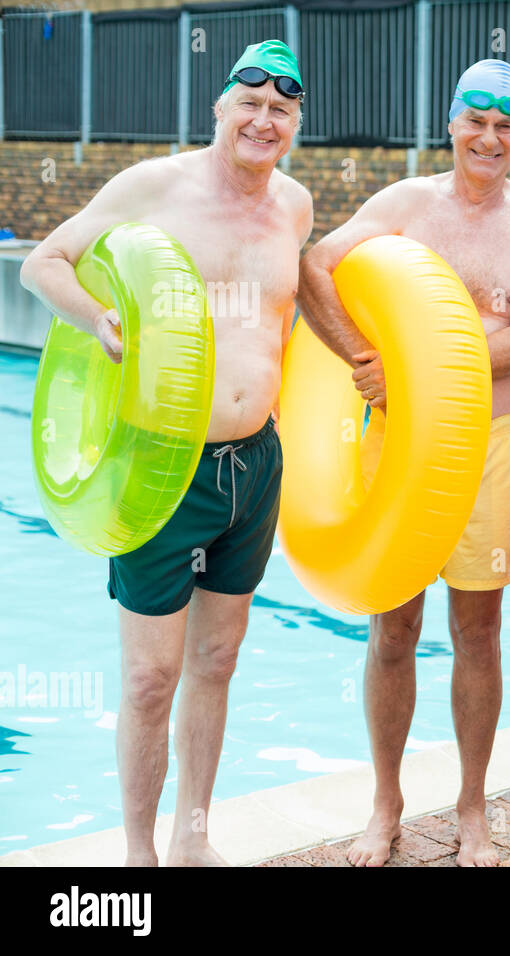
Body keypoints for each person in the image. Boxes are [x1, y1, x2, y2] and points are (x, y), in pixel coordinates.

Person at [20, 40, 312, 866]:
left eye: (281, 109)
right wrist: (97, 320)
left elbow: (279, 318)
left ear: (295, 123)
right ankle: (139, 856)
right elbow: (45, 264)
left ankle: (194, 839)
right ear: (219, 107)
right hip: (162, 469)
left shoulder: (294, 205)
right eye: (249, 103)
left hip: (253, 467)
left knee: (216, 663)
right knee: (152, 680)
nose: (264, 119)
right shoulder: (155, 188)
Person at [297, 59, 510, 867]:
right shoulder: (404, 205)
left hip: (489, 447)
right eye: (475, 119)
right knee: (393, 627)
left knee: (478, 629)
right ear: (452, 123)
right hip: (399, 445)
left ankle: (473, 808)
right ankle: (387, 806)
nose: (489, 137)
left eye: (506, 124)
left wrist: (413, 363)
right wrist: (358, 355)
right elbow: (316, 267)